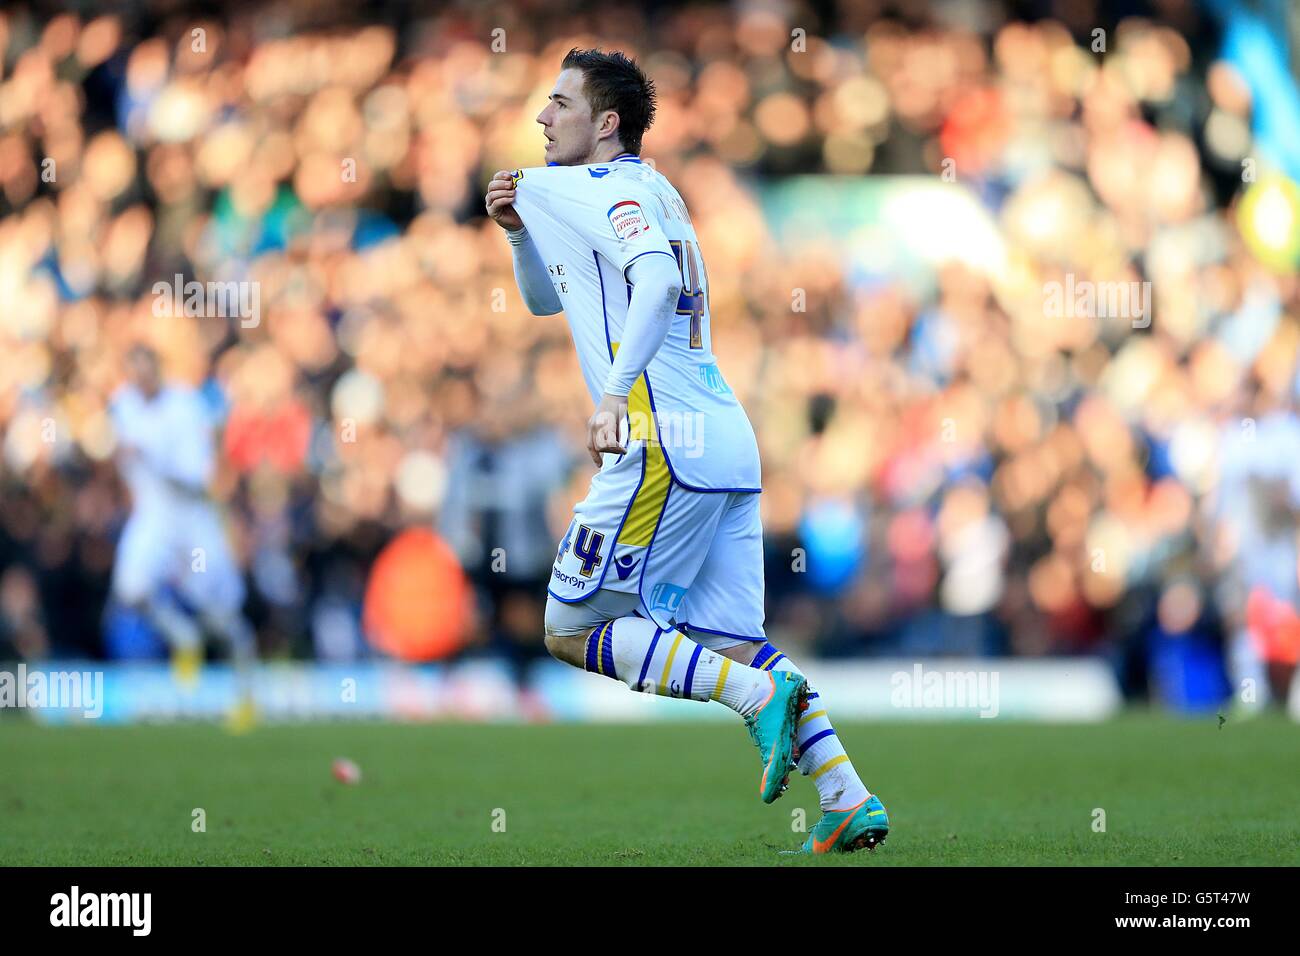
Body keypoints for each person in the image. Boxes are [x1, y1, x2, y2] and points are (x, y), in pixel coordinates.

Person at [485, 48, 887, 853]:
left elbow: (658, 283)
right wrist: (518, 234)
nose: (541, 117)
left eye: (559, 103)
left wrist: (612, 394)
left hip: (661, 438)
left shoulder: (591, 185)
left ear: (605, 124)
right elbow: (542, 300)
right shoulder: (653, 187)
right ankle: (845, 794)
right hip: (724, 441)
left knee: (569, 625)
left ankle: (751, 701)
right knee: (732, 638)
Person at [109, 344, 257, 732]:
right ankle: (182, 636)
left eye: (146, 373)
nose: (140, 383)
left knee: (219, 612)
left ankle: (245, 698)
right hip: (154, 519)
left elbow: (196, 481)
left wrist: (149, 457)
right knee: (131, 590)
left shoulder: (185, 406)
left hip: (192, 519)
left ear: (158, 370)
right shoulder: (123, 404)